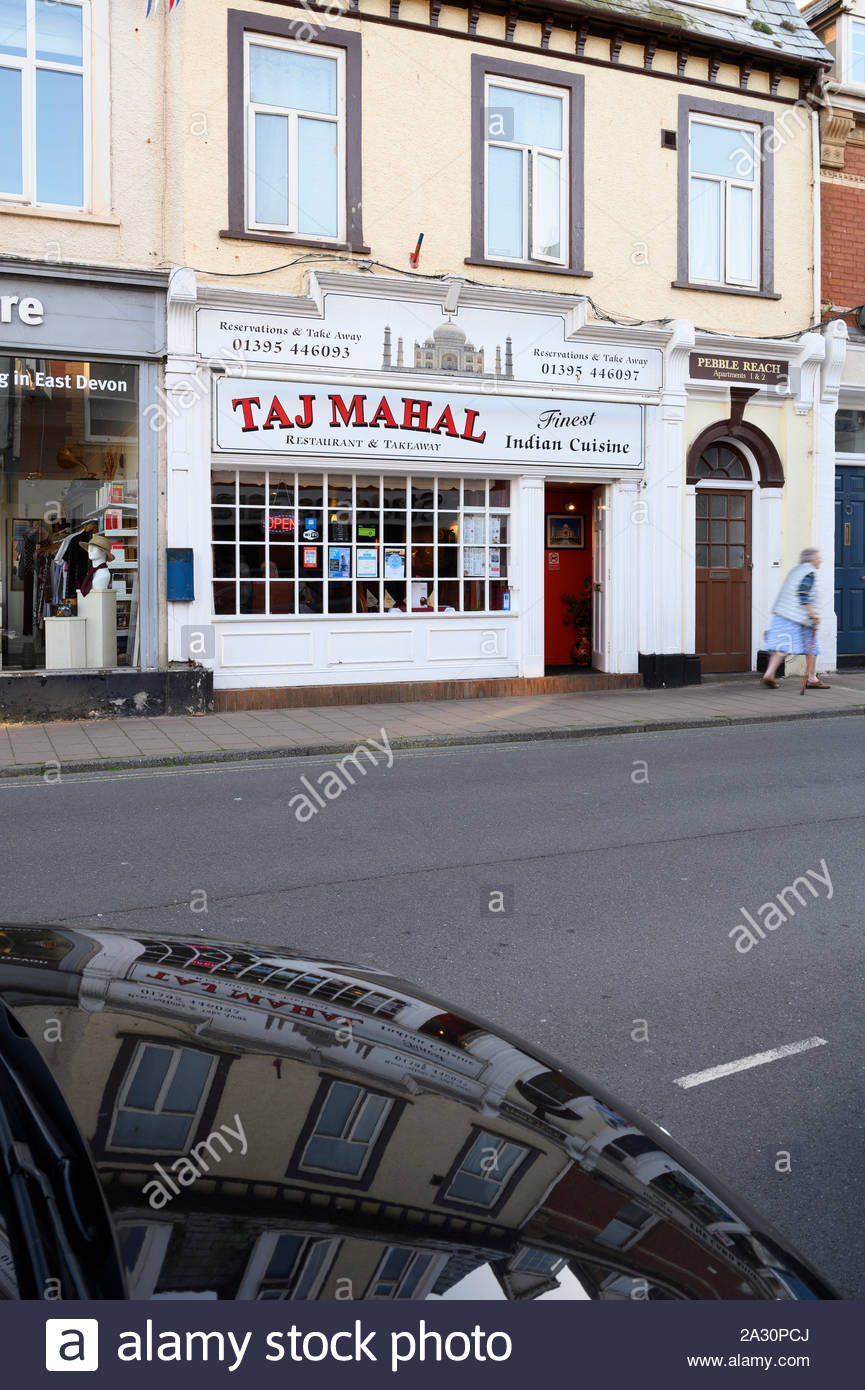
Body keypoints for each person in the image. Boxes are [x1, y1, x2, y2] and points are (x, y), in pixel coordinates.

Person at [761, 548, 830, 689]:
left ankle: (769, 674)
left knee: (783, 646)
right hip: (799, 617)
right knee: (812, 647)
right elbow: (803, 594)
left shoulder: (796, 571)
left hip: (782, 614)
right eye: (819, 558)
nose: (821, 560)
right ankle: (811, 678)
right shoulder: (809, 573)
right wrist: (813, 614)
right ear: (812, 559)